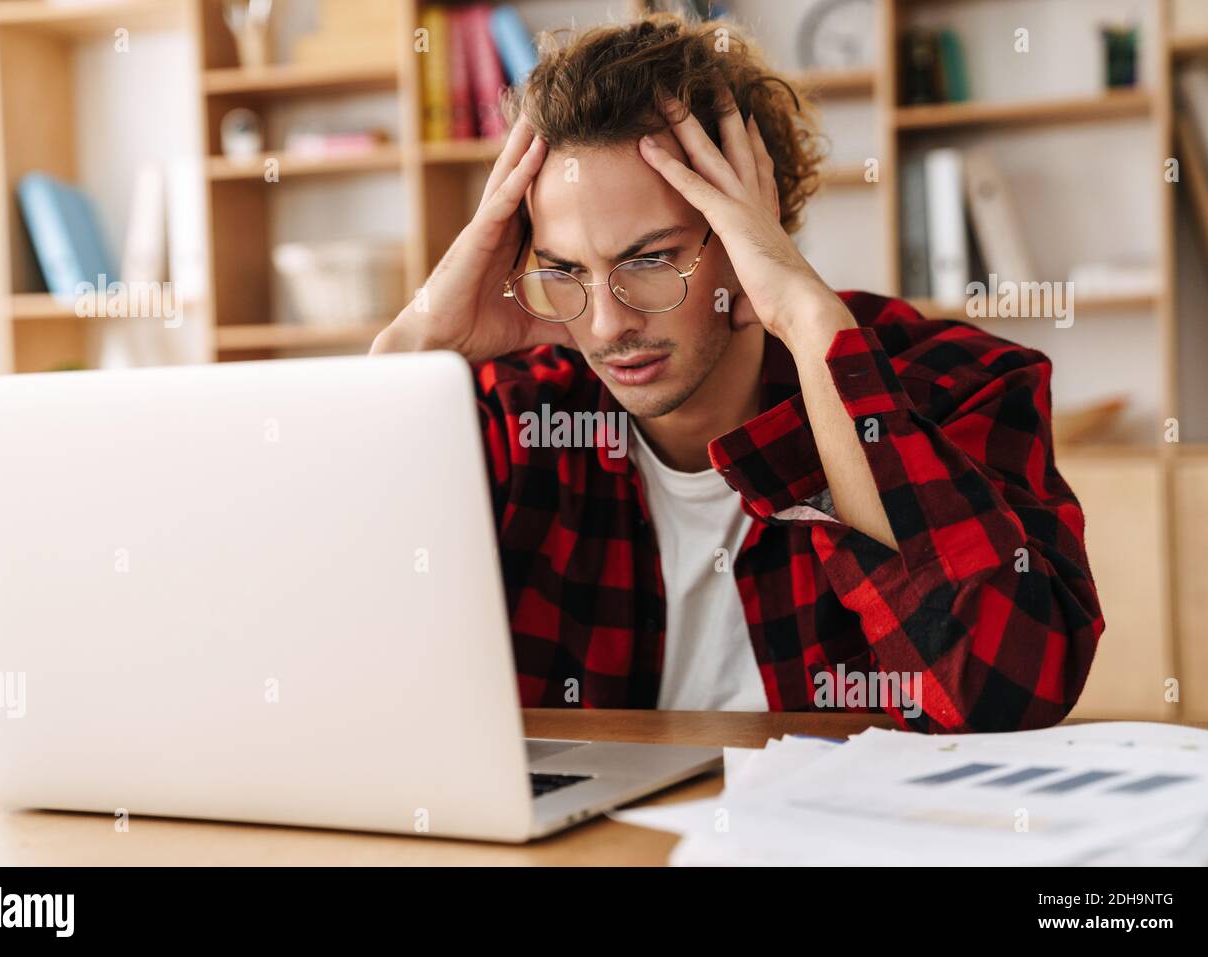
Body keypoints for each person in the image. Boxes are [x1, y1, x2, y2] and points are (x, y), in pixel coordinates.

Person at [372, 13, 1103, 732]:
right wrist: (420, 337)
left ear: (749, 232)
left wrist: (810, 322)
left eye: (651, 260)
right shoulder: (513, 414)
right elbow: (327, 633)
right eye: (564, 271)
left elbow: (1010, 692)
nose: (604, 325)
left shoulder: (955, 385)